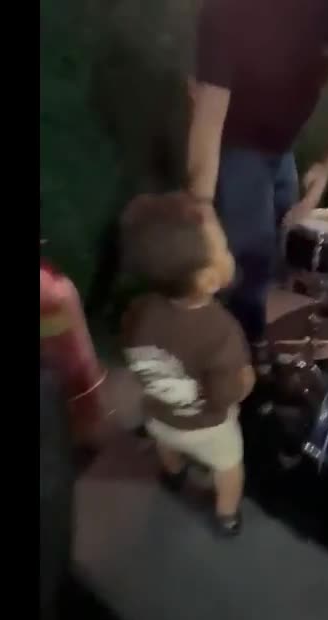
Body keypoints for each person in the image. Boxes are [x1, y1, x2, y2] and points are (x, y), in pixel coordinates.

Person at [186, 0, 328, 355]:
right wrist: (201, 209)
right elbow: (210, 116)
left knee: (277, 254)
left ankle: (243, 350)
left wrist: (326, 168)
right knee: (251, 262)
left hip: (283, 148)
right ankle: (239, 365)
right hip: (236, 140)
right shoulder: (227, 9)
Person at [119, 192, 255, 537]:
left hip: (159, 415)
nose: (229, 254)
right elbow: (224, 393)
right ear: (209, 280)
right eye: (224, 249)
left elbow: (133, 354)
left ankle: (173, 473)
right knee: (229, 466)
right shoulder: (222, 330)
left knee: (168, 443)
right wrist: (245, 382)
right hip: (206, 427)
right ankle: (227, 515)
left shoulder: (138, 310)